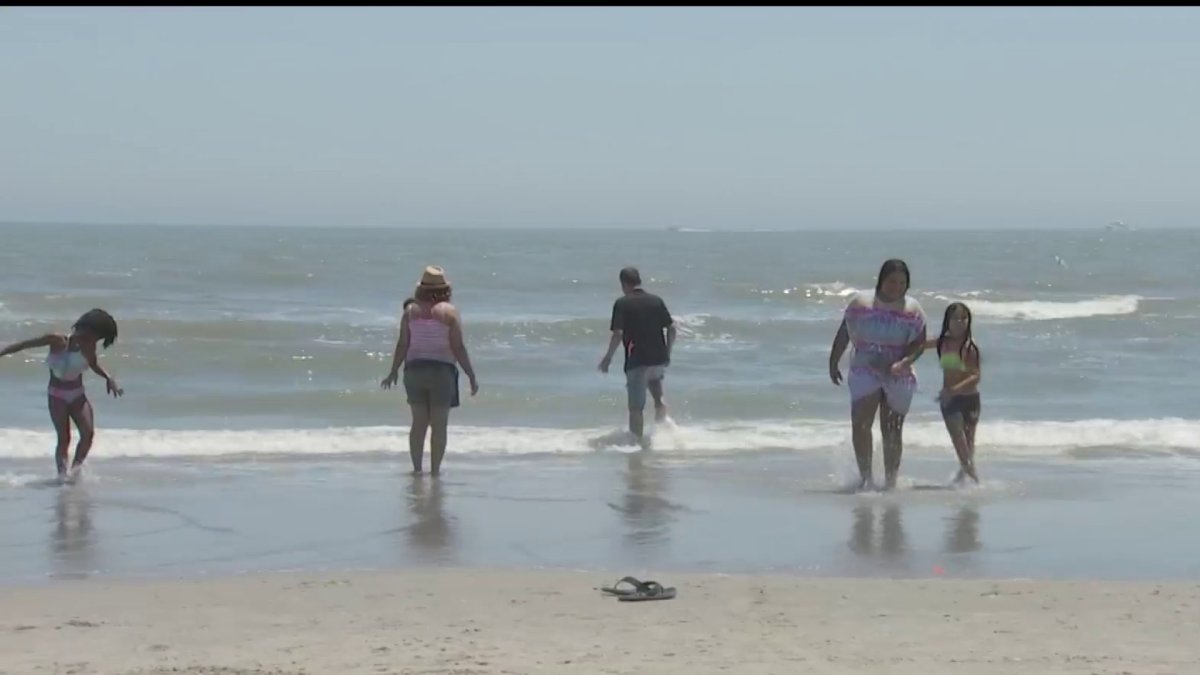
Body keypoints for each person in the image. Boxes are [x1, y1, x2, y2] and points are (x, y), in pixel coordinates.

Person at [828, 259, 926, 491]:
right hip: (865, 367)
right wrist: (833, 362)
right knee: (861, 423)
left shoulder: (913, 309)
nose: (897, 286)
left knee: (892, 428)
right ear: (881, 280)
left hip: (898, 372)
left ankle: (890, 481)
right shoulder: (861, 303)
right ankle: (866, 478)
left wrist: (906, 361)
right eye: (892, 281)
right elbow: (844, 332)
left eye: (902, 282)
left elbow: (919, 343)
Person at [0, 309, 123, 479]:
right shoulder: (57, 340)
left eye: (99, 338)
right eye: (97, 336)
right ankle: (62, 477)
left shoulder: (88, 347)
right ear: (87, 328)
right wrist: (3, 352)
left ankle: (74, 473)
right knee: (64, 438)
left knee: (88, 434)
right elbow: (25, 345)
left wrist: (108, 378)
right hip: (57, 396)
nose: (95, 340)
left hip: (78, 395)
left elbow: (93, 365)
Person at [381, 267, 478, 475]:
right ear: (445, 289)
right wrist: (470, 374)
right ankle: (435, 471)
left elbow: (402, 344)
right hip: (442, 371)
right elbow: (458, 347)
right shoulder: (449, 312)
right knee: (439, 425)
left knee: (418, 424)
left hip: (414, 370)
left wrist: (393, 371)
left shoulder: (410, 312)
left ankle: (417, 469)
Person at [598, 266, 676, 446]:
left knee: (636, 408)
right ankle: (666, 435)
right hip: (658, 359)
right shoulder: (656, 301)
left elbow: (618, 333)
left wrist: (608, 357)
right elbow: (671, 328)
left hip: (638, 361)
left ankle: (637, 447)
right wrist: (668, 353)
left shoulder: (622, 303)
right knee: (658, 397)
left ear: (623, 283)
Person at [926, 302, 982, 484]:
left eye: (964, 318)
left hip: (970, 398)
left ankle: (965, 475)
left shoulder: (970, 347)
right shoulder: (942, 342)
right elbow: (918, 346)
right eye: (955, 318)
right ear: (947, 321)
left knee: (968, 440)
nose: (960, 322)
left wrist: (953, 390)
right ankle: (974, 479)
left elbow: (975, 376)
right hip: (949, 400)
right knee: (958, 439)